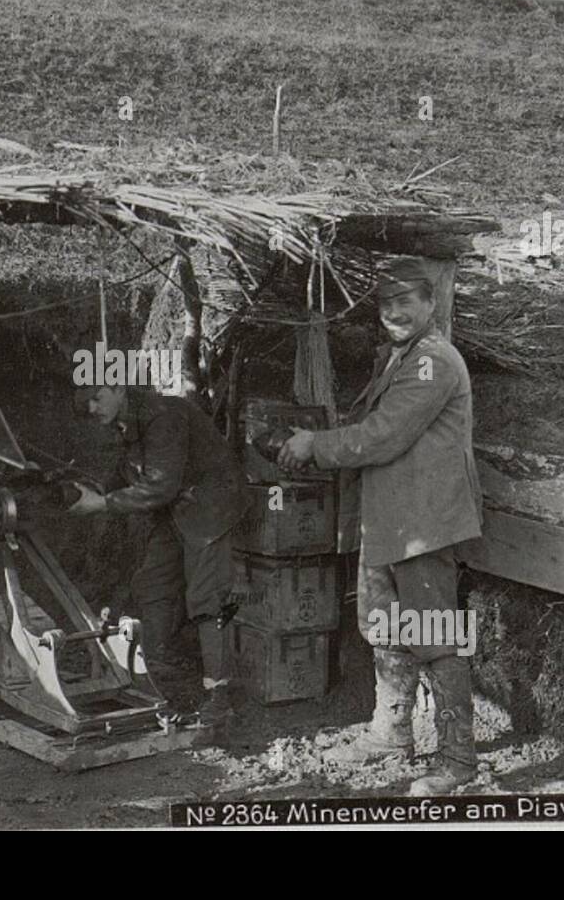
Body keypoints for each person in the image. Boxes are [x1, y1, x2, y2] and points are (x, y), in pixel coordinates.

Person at [277, 257, 483, 795]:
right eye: (386, 305)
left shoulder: (432, 362)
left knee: (436, 638)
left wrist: (315, 446)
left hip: (425, 523)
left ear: (430, 304)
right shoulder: (399, 358)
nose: (393, 313)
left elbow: (383, 435)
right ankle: (392, 731)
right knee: (385, 628)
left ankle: (457, 761)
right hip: (389, 520)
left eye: (404, 303)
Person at [69, 383, 247, 730]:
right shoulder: (127, 420)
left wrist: (103, 503)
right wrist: (90, 490)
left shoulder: (162, 415)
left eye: (96, 397)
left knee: (207, 599)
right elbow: (127, 474)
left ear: (117, 388)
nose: (91, 408)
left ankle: (219, 699)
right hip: (177, 509)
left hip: (211, 507)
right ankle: (163, 676)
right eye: (85, 403)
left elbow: (161, 485)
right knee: (152, 583)